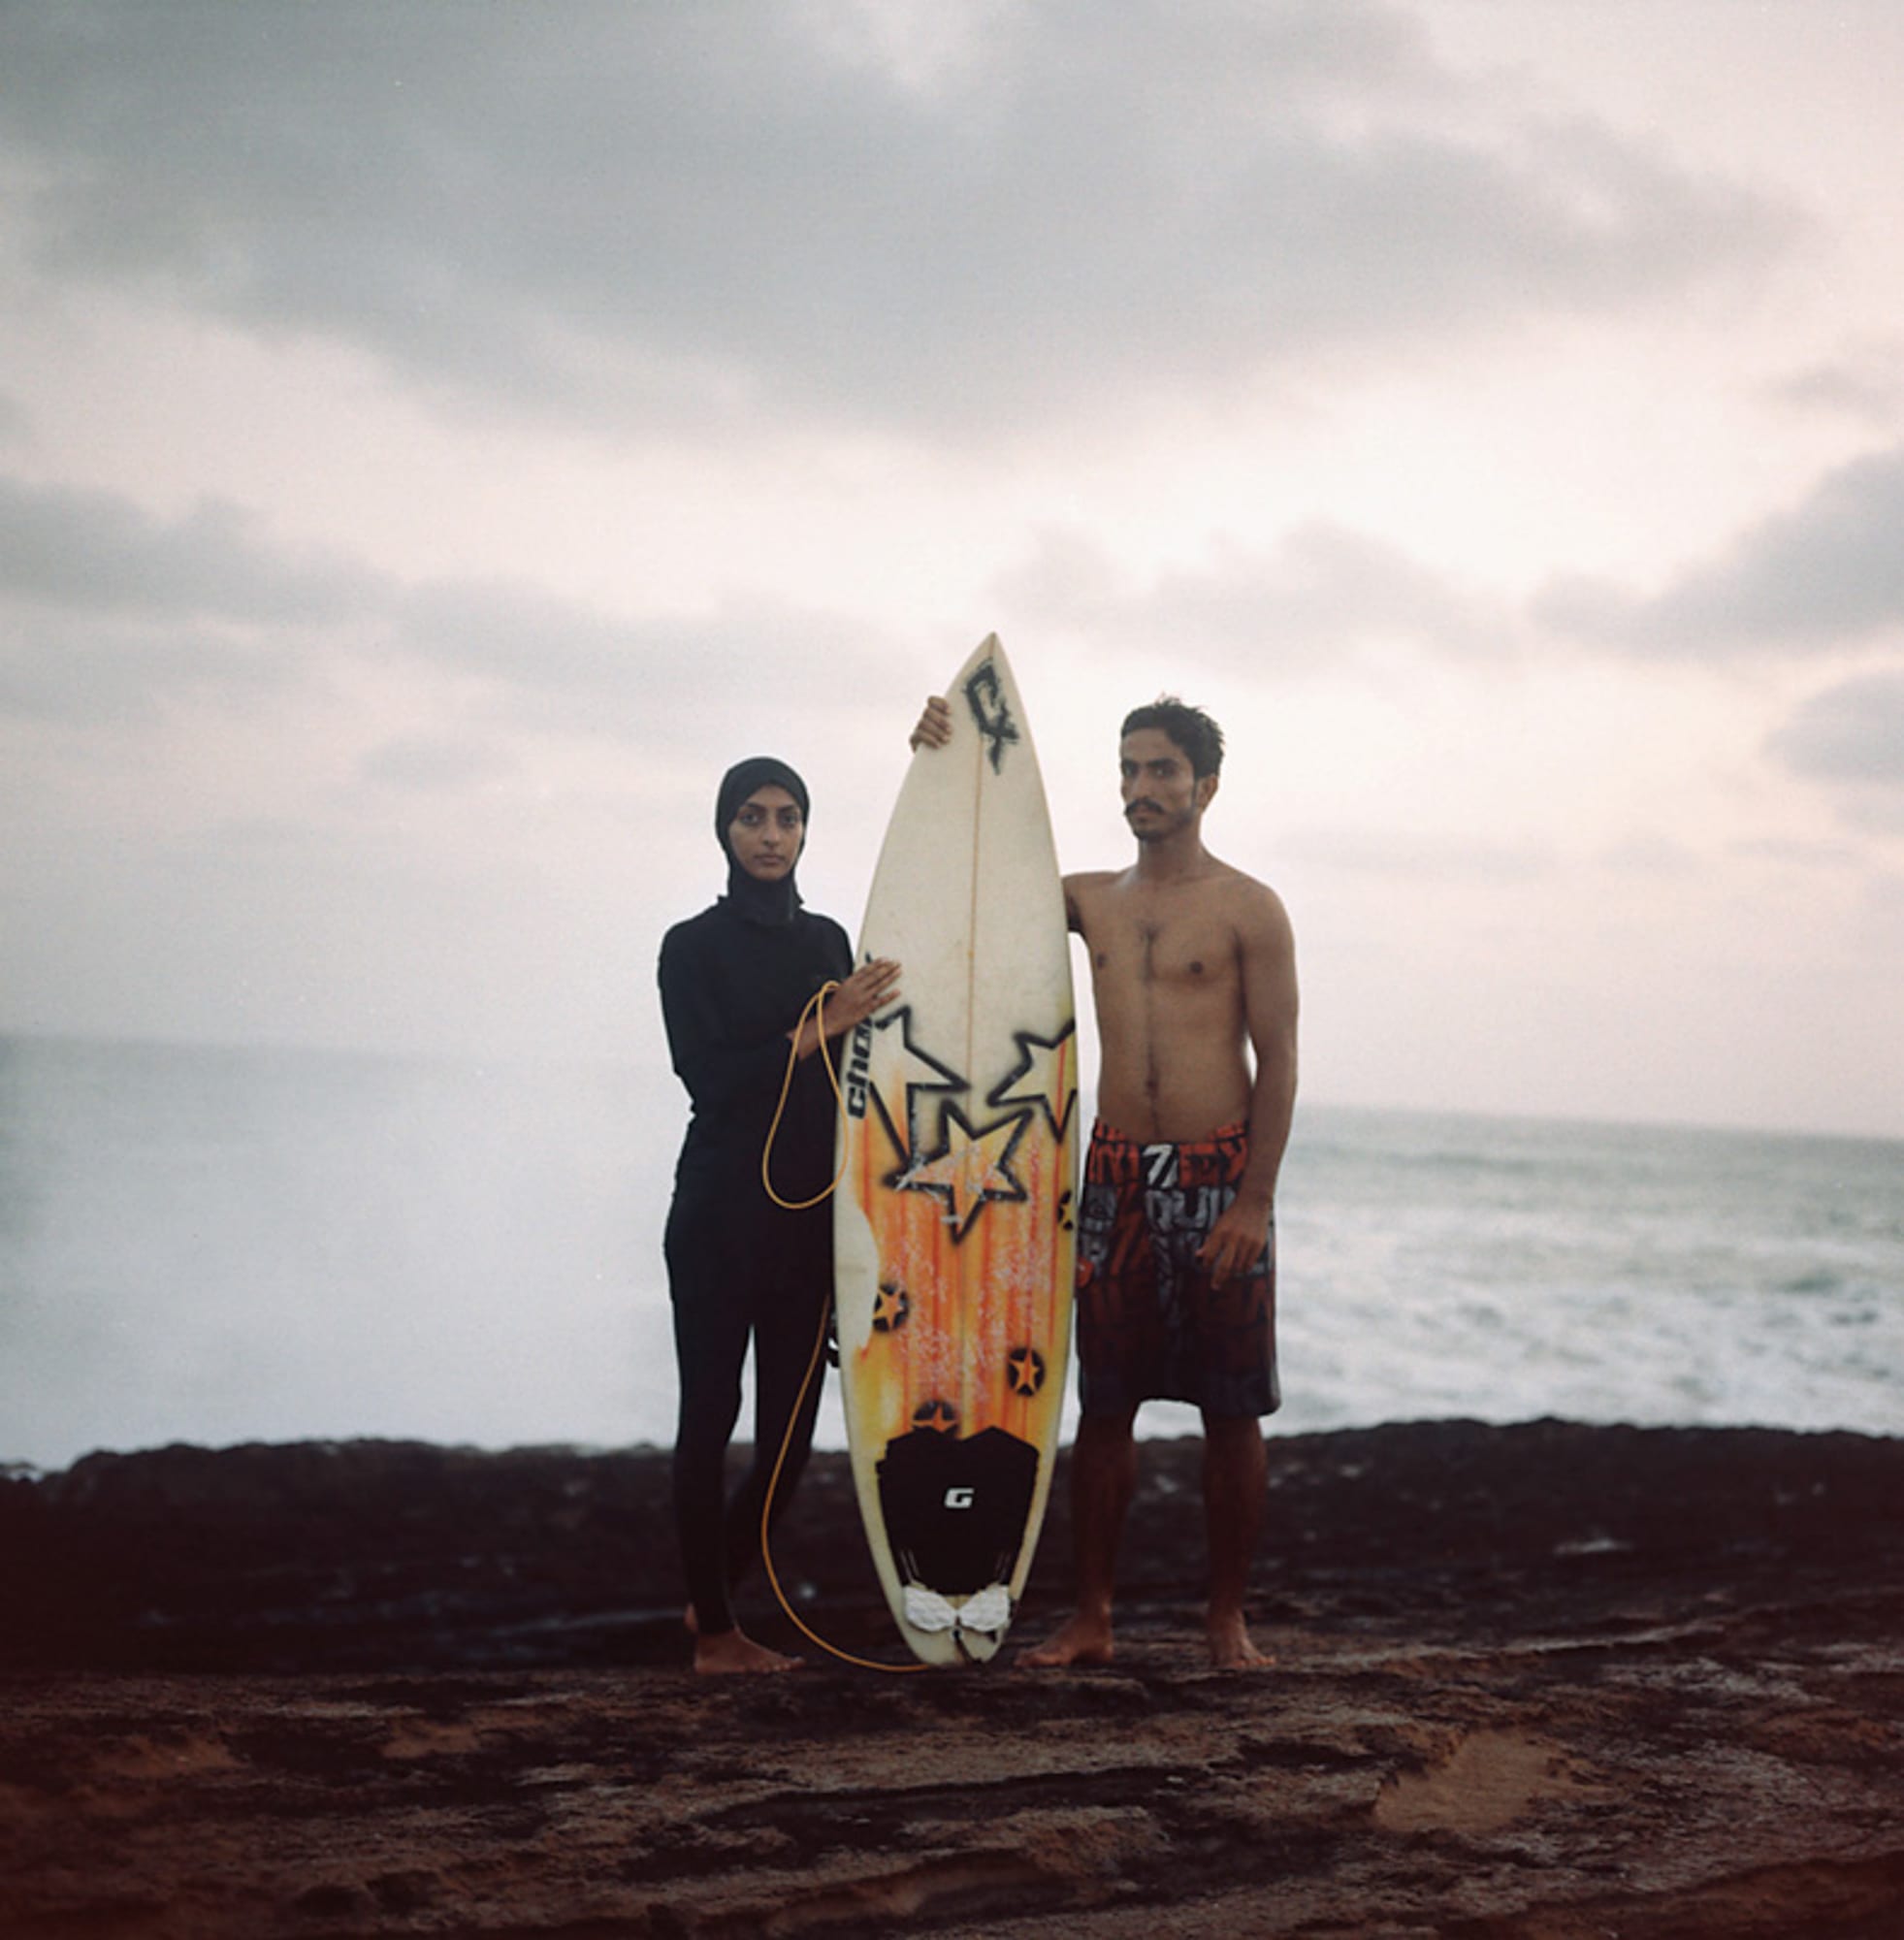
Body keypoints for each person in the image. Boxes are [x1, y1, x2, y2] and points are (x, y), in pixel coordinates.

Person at [912, 694, 1298, 1668]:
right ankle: (1091, 1615)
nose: (1140, 787)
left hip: (1217, 1171)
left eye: (1161, 769)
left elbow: (1279, 1059)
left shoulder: (1250, 906)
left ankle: (1224, 1620)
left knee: (1231, 1408)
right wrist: (945, 757)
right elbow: (977, 883)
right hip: (1115, 1170)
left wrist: (1254, 1199)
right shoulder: (1091, 898)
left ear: (1205, 785)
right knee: (1105, 1405)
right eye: (1128, 769)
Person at [659, 757, 900, 1674]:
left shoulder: (829, 939)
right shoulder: (690, 946)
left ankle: (706, 1594)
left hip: (807, 1224)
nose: (769, 834)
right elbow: (710, 1080)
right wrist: (823, 1021)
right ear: (724, 830)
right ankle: (718, 1635)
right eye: (751, 817)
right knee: (708, 1418)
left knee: (792, 1443)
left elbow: (863, 1086)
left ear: (806, 831)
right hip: (719, 1215)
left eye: (787, 818)